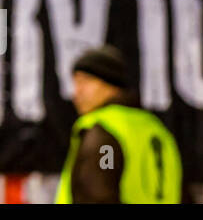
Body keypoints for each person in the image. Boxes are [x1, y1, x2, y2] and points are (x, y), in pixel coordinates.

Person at [55, 45, 181, 204]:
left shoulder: (104, 131)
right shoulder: (155, 129)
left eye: (85, 82)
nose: (76, 92)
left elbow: (98, 193)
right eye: (76, 83)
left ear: (110, 84)